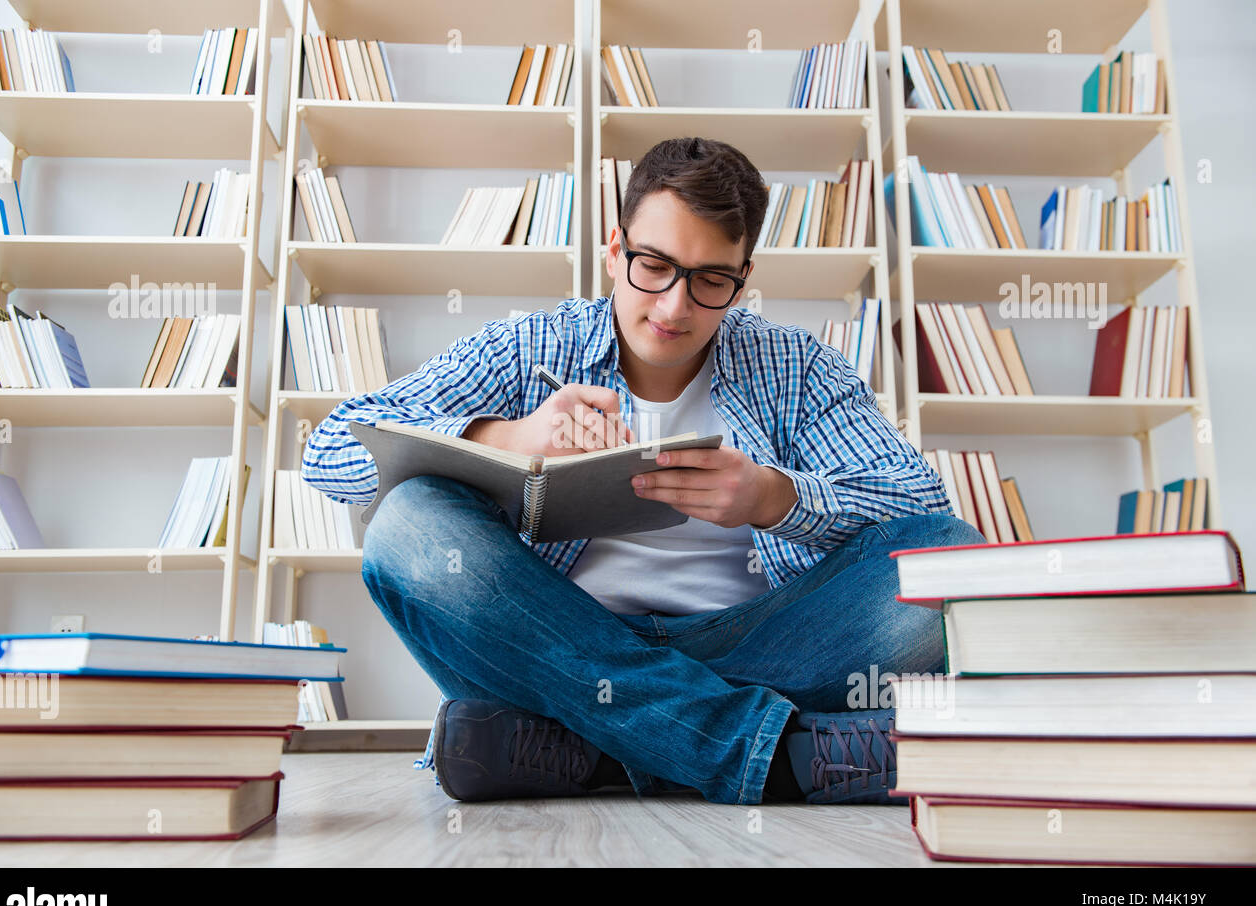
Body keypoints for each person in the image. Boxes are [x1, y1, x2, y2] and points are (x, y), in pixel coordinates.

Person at [301, 136, 985, 806]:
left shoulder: (798, 367)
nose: (673, 306)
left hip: (753, 643)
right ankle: (773, 753)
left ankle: (587, 750)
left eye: (710, 279)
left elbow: (920, 507)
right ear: (613, 248)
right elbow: (333, 448)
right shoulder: (533, 344)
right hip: (553, 637)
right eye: (652, 265)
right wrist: (514, 438)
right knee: (405, 528)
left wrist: (772, 497)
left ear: (742, 280)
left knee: (950, 560)